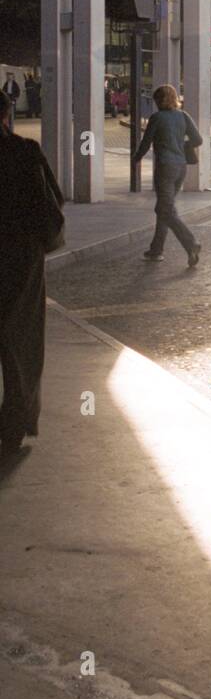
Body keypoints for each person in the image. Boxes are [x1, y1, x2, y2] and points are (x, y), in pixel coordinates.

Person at [0, 89, 65, 460]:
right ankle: (14, 425)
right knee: (20, 345)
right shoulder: (25, 153)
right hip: (18, 261)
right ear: (7, 115)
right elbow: (51, 206)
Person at [132, 84, 203, 267]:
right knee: (165, 208)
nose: (155, 104)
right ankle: (156, 249)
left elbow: (146, 142)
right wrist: (183, 146)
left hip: (165, 167)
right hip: (181, 167)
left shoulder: (157, 118)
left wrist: (136, 159)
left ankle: (191, 243)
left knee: (165, 210)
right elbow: (198, 140)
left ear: (160, 100)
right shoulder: (183, 116)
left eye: (156, 100)